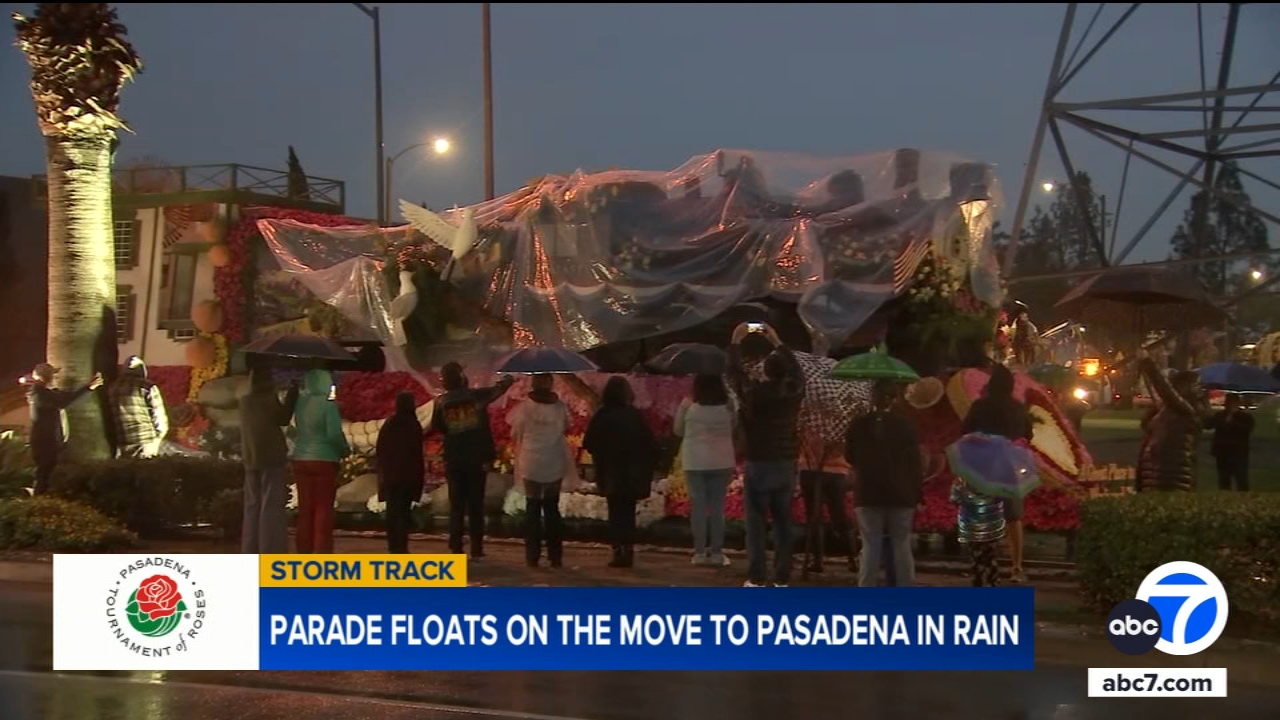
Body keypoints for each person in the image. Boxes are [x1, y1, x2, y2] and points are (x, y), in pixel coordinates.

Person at [725, 322, 804, 587]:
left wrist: (736, 342)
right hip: (784, 464)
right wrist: (777, 341)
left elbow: (734, 377)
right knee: (783, 523)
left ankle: (757, 577)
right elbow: (798, 373)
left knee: (756, 525)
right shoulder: (793, 395)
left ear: (765, 373)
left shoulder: (754, 395)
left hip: (759, 463)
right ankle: (782, 577)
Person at [429, 362, 514, 559]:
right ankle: (477, 547)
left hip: (454, 458)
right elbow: (498, 389)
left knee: (456, 505)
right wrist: (508, 379)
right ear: (461, 378)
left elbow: (438, 426)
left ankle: (456, 546)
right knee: (476, 505)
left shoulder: (441, 402)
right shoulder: (475, 396)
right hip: (476, 459)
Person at [845, 379, 922, 587]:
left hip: (867, 491)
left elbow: (850, 457)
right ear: (895, 399)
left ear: (871, 398)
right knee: (901, 543)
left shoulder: (858, 425)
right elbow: (915, 463)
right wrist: (918, 494)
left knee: (870, 546)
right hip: (901, 492)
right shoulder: (906, 426)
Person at [962, 364, 1034, 584]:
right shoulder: (1017, 408)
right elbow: (1028, 434)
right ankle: (1016, 566)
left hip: (983, 466)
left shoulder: (979, 406)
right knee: (1013, 517)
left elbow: (966, 431)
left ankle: (982, 564)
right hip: (1010, 465)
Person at [584, 376, 657, 568]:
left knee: (615, 513)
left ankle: (618, 550)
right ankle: (628, 549)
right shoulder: (633, 416)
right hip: (631, 472)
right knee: (628, 513)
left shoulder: (602, 415)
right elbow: (649, 444)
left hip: (610, 472)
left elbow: (589, 443)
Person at [673, 374, 736, 567]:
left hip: (695, 461)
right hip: (722, 460)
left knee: (698, 508)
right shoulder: (729, 404)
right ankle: (717, 552)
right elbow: (734, 427)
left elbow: (677, 430)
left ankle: (699, 552)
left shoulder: (688, 405)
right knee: (717, 508)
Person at [510, 373, 572, 568]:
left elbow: (515, 432)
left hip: (531, 460)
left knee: (533, 507)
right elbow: (566, 427)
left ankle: (532, 556)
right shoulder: (560, 406)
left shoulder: (524, 407)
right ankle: (555, 556)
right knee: (552, 507)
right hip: (554, 457)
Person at [238, 367, 299, 554]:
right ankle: (270, 549)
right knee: (270, 505)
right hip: (271, 457)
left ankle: (250, 548)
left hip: (250, 457)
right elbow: (283, 418)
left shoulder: (245, 401)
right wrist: (293, 394)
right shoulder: (268, 399)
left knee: (252, 505)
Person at [291, 368, 349, 553]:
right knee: (323, 509)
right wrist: (344, 450)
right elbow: (333, 434)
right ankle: (321, 552)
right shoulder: (327, 405)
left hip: (301, 458)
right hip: (324, 459)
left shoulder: (300, 403)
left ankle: (304, 550)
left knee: (305, 509)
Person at [21, 363, 103, 494]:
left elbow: (64, 397)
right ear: (46, 377)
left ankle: (42, 499)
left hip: (49, 440)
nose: (55, 377)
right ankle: (38, 500)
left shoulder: (45, 392)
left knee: (48, 472)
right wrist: (88, 388)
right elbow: (63, 402)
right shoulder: (39, 393)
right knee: (45, 472)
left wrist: (88, 387)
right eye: (53, 374)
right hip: (44, 441)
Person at [1135, 354, 1206, 493]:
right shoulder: (1164, 411)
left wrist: (1148, 363)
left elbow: (1165, 391)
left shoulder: (1186, 411)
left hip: (1172, 477)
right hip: (1153, 475)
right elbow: (1159, 393)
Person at [799, 435, 856, 575]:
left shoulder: (809, 417)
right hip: (837, 470)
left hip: (810, 468)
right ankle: (852, 558)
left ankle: (816, 559)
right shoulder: (842, 420)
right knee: (838, 514)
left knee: (814, 516)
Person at [377, 392, 426, 553]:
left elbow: (381, 449)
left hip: (391, 476)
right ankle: (402, 547)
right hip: (407, 476)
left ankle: (393, 547)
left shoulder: (390, 424)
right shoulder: (413, 425)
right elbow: (416, 454)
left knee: (392, 513)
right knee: (403, 512)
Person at [107, 355, 169, 458]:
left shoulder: (112, 387)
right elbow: (158, 413)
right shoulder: (147, 386)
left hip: (123, 440)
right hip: (145, 439)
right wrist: (159, 436)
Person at [951, 476, 1006, 587]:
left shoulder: (962, 481)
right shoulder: (996, 480)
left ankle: (978, 580)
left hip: (971, 523)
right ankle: (993, 581)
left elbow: (955, 499)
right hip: (992, 523)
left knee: (976, 555)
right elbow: (1002, 497)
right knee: (991, 554)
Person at [1206, 393, 1254, 492]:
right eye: (1227, 403)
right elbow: (1208, 425)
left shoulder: (1245, 417)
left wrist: (1232, 421)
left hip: (1238, 453)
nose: (1229, 405)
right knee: (1224, 480)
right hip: (1222, 453)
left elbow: (1246, 430)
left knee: (1241, 479)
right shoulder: (1220, 415)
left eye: (1231, 403)